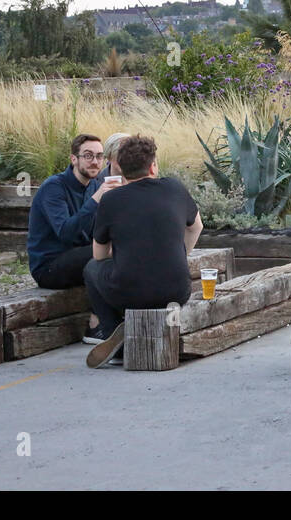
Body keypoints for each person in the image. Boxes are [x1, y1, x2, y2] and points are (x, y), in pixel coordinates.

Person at [83, 135, 205, 367]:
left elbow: (98, 256)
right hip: (176, 291)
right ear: (152, 165)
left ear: (120, 168)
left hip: (129, 294)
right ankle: (146, 324)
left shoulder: (111, 200)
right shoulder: (174, 188)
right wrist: (181, 253)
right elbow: (196, 226)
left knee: (91, 269)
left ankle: (113, 335)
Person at [26, 134, 121, 333]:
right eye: (88, 156)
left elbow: (100, 230)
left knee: (122, 248)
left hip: (80, 258)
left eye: (99, 156)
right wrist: (96, 199)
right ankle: (98, 325)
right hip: (49, 266)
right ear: (74, 159)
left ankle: (123, 317)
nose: (95, 162)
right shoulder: (54, 188)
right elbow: (66, 233)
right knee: (106, 254)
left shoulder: (95, 185)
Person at [85, 132, 131, 198]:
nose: (126, 160)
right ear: (109, 156)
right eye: (121, 156)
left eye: (130, 155)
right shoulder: (93, 183)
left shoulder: (141, 181)